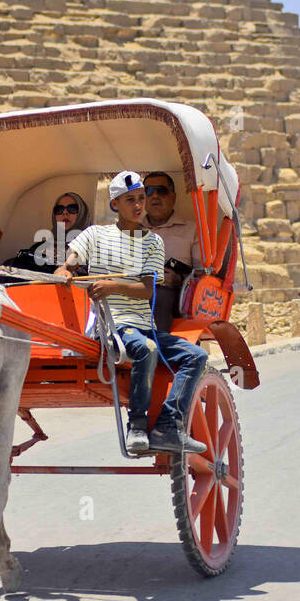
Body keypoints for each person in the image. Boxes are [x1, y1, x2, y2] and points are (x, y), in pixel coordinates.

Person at [55, 171, 209, 456]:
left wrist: (112, 285)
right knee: (147, 348)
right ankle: (137, 426)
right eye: (131, 200)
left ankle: (168, 425)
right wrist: (65, 270)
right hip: (111, 328)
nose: (139, 205)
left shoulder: (153, 243)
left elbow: (147, 290)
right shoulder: (94, 235)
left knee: (196, 356)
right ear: (115, 204)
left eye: (141, 198)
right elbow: (71, 262)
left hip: (142, 326)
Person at [142, 171, 203, 332]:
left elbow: (202, 275)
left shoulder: (191, 230)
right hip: (134, 287)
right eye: (148, 191)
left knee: (159, 295)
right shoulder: (131, 230)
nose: (154, 196)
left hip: (174, 294)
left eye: (161, 191)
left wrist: (179, 279)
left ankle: (156, 351)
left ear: (173, 197)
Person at [0, 191, 91, 278]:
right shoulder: (40, 246)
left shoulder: (92, 246)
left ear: (82, 213)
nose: (65, 213)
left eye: (72, 208)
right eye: (59, 209)